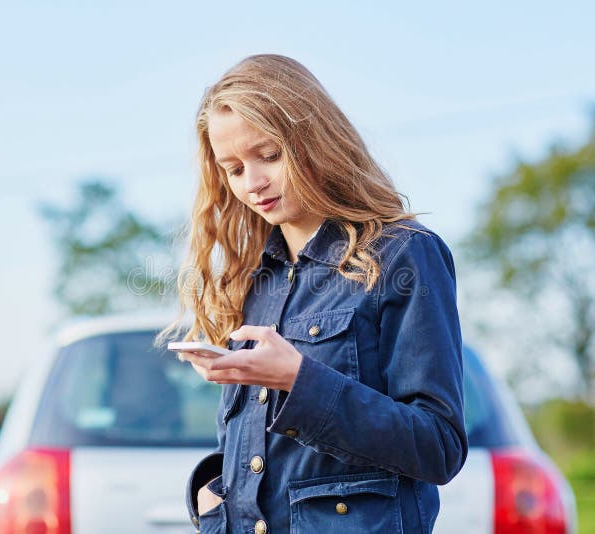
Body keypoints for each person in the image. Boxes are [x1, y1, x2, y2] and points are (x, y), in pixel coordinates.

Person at [160, 54, 467, 534]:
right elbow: (267, 455)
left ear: (315, 139)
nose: (253, 182)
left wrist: (300, 381)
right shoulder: (252, 277)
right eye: (234, 168)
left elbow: (438, 446)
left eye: (269, 155)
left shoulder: (404, 255)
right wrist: (214, 489)